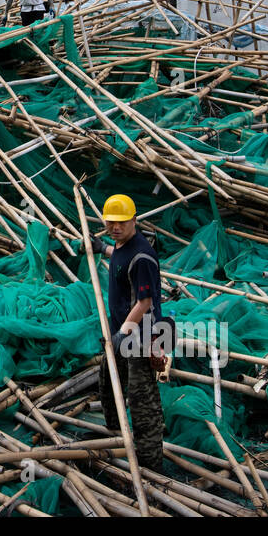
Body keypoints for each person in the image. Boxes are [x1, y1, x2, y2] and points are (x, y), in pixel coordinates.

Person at [96, 193, 165, 472]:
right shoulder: (122, 245)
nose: (115, 227)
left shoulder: (143, 257)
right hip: (120, 335)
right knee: (108, 385)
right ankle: (115, 437)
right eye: (110, 222)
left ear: (134, 220)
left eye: (121, 223)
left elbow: (145, 302)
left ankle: (150, 462)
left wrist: (123, 332)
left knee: (141, 400)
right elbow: (120, 256)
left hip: (140, 339)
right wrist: (102, 248)